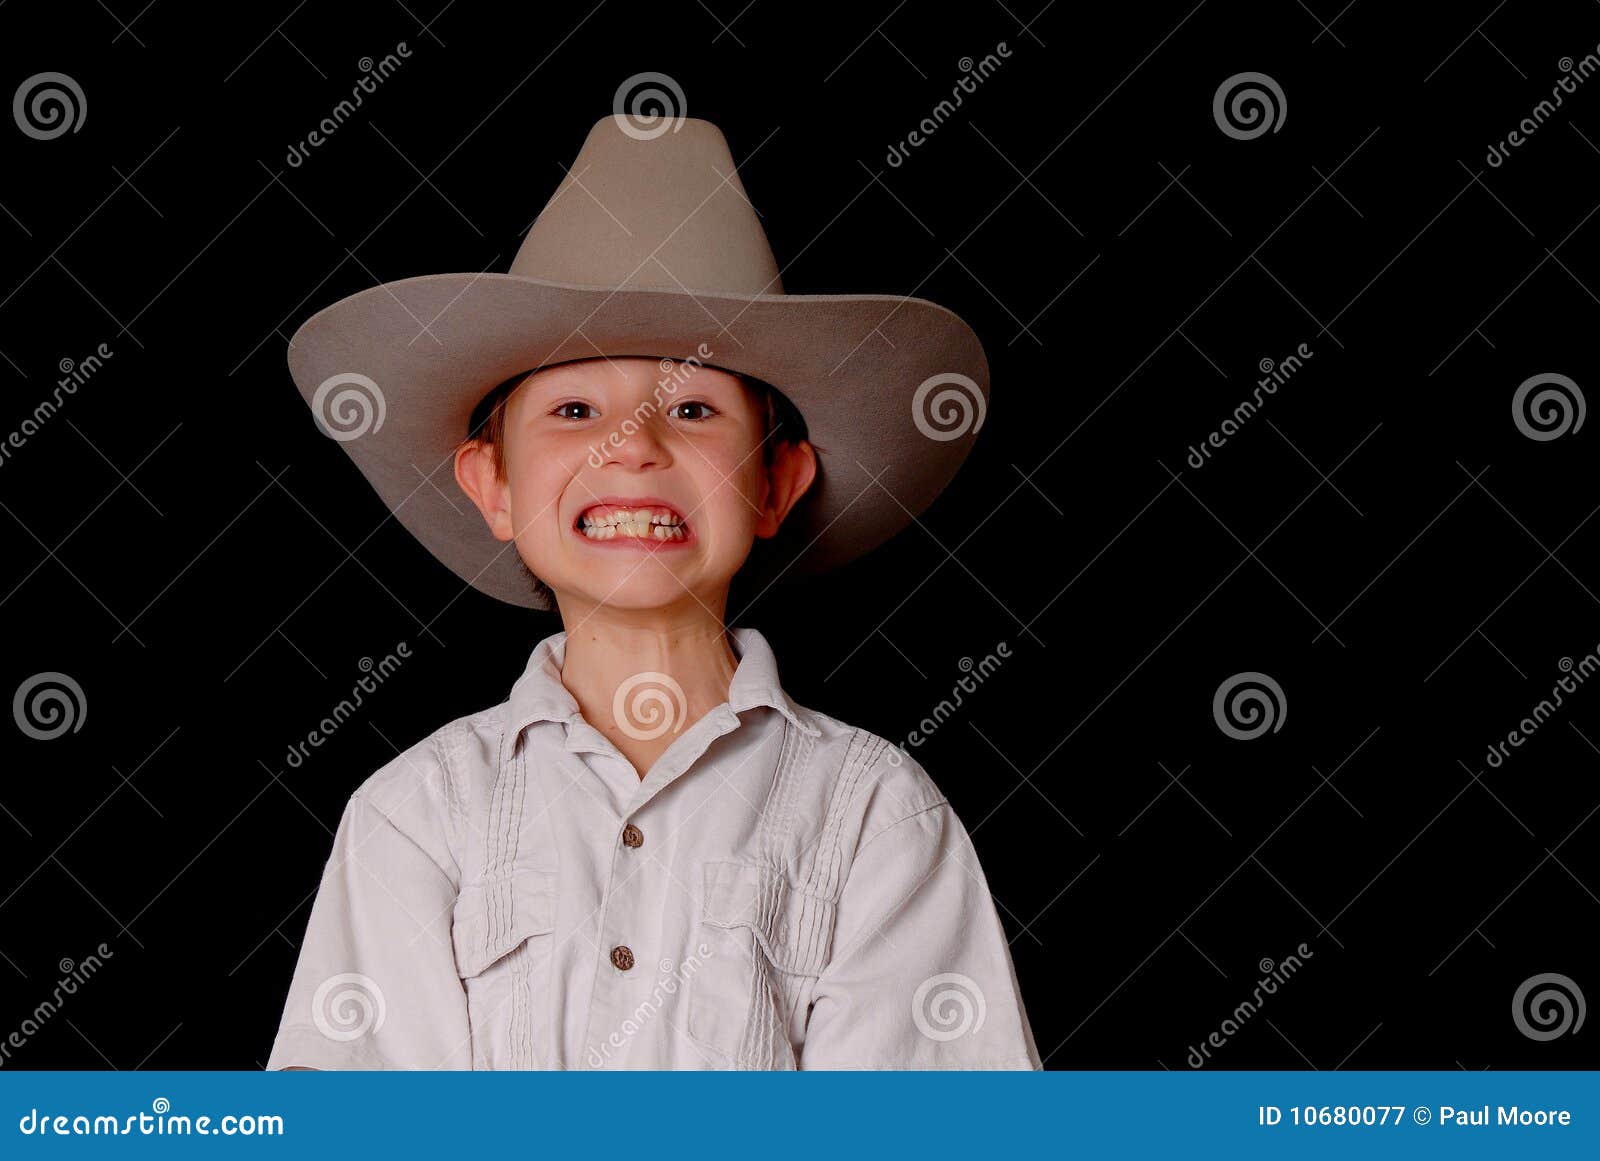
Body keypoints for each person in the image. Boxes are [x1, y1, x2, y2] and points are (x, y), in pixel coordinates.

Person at [265, 112, 1037, 1069]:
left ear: (776, 484)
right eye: (575, 409)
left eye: (693, 408)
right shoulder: (418, 814)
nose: (631, 444)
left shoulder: (874, 812)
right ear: (492, 485)